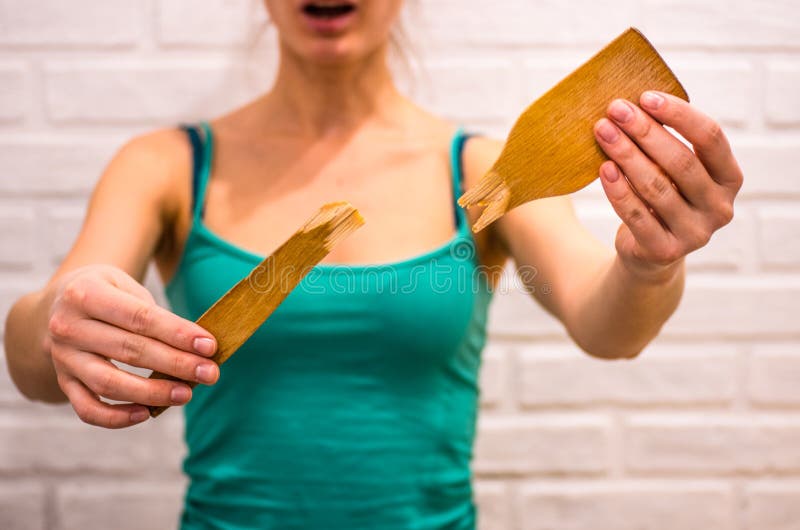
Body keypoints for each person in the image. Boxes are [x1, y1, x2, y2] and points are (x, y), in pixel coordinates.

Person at [3, 1, 742, 528]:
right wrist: (57, 320)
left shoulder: (487, 172)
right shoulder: (168, 167)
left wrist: (650, 262)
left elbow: (607, 325)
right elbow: (34, 360)